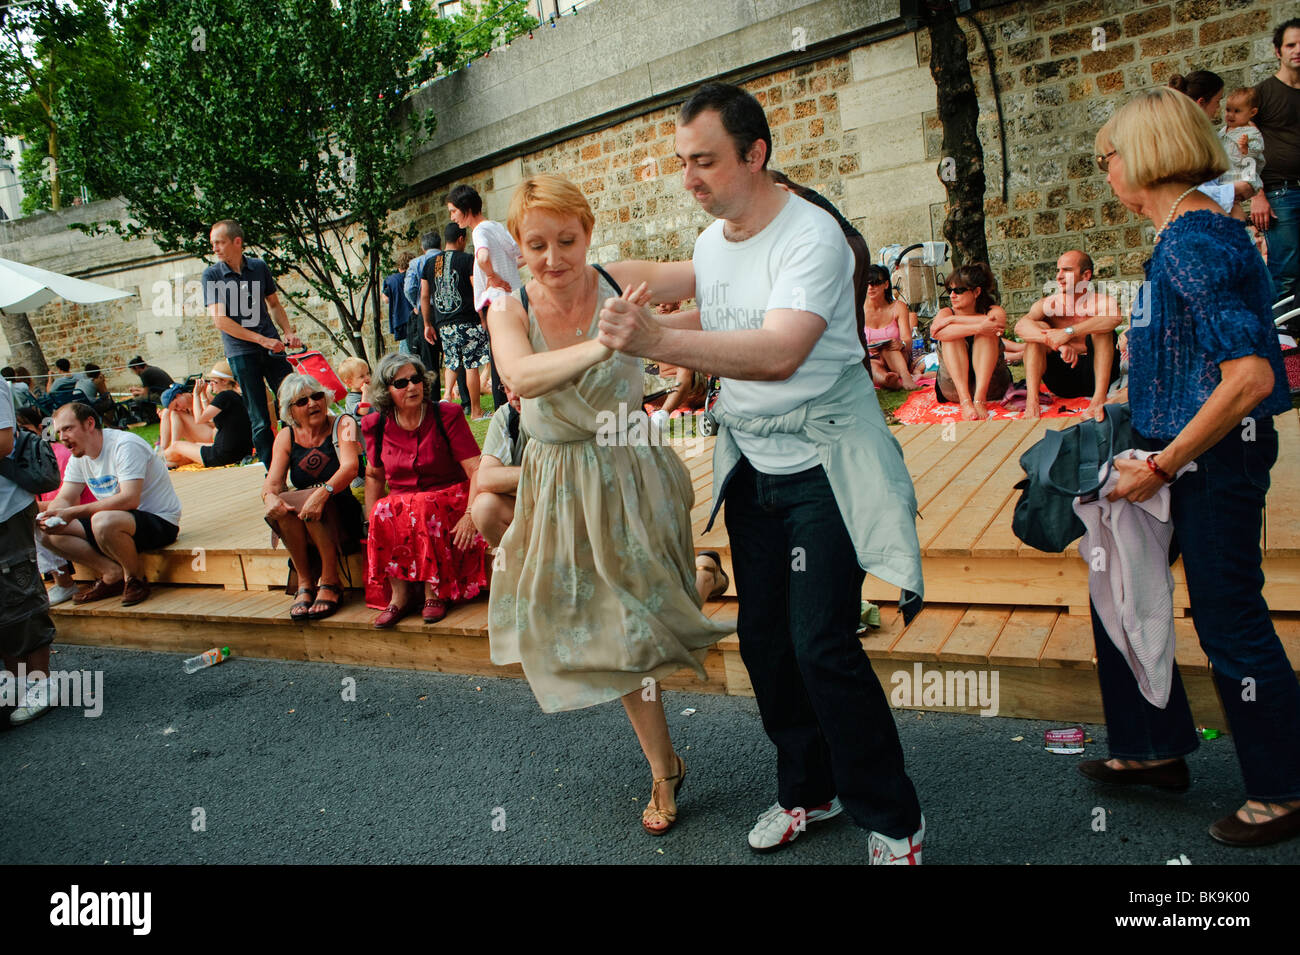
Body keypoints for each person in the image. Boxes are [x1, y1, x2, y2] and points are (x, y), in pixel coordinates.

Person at [596, 83, 926, 862]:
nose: (689, 179)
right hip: (753, 464)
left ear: (756, 154)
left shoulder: (813, 238)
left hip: (826, 466)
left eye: (704, 161)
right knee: (765, 642)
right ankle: (811, 791)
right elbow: (709, 300)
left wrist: (656, 340)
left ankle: (895, 819)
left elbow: (779, 351)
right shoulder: (715, 241)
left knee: (822, 644)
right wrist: (574, 272)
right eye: (682, 163)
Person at [1082, 87, 1300, 848]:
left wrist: (1165, 464)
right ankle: (1152, 747)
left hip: (1204, 462)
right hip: (1173, 451)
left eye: (1106, 155)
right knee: (1115, 585)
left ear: (1138, 157)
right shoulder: (1189, 230)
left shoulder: (1191, 239)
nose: (1103, 169)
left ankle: (1282, 787)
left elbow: (1251, 376)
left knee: (1229, 618)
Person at [485, 174, 732, 837]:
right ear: (517, 246)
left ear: (588, 233)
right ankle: (664, 765)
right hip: (562, 485)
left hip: (633, 471)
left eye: (567, 239)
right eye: (536, 244)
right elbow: (520, 375)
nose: (554, 257)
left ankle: (699, 580)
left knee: (641, 615)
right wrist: (606, 341)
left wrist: (769, 234)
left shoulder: (620, 279)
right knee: (621, 632)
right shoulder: (509, 308)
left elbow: (715, 269)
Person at [362, 353, 488, 628]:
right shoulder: (376, 424)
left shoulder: (447, 415)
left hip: (447, 496)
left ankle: (435, 591)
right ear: (386, 391)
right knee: (383, 510)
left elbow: (476, 469)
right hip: (402, 502)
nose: (412, 387)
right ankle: (400, 595)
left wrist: (470, 513)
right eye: (401, 383)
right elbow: (374, 475)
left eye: (416, 379)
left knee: (421, 505)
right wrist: (370, 519)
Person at [37, 402, 182, 608]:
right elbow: (66, 497)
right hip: (115, 524)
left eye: (68, 428)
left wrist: (72, 512)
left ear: (89, 424)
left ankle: (135, 579)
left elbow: (129, 499)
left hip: (158, 522)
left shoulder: (125, 445)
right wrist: (53, 514)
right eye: (58, 431)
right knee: (47, 531)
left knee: (102, 520)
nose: (62, 437)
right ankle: (111, 575)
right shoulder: (79, 456)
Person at [202, 219, 304, 468]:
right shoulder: (212, 275)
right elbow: (220, 321)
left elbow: (274, 304)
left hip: (272, 347)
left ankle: (304, 461)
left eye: (220, 242)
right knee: (259, 416)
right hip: (242, 353)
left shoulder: (259, 267)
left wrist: (288, 332)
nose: (215, 248)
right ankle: (274, 474)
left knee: (294, 403)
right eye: (213, 243)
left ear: (237, 242)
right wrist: (261, 340)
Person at [262, 374, 363, 622]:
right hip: (304, 513)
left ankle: (330, 581)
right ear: (290, 411)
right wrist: (269, 499)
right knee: (284, 508)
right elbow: (273, 482)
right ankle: (305, 582)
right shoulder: (286, 436)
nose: (312, 404)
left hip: (340, 504)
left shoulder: (343, 423)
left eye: (317, 396)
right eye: (302, 401)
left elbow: (350, 467)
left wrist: (323, 493)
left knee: (309, 503)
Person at [770, 170, 874, 368]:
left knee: (843, 321)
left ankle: (851, 373)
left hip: (844, 247)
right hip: (855, 245)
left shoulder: (789, 195)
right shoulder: (803, 196)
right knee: (854, 319)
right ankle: (861, 374)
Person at [0, 375, 59, 726]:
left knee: (18, 595)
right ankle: (17, 683)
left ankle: (42, 683)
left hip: (5, 511)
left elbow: (3, 441)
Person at [1013, 251, 1121, 420]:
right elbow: (1020, 326)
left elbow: (1114, 318)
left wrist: (1068, 333)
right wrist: (1056, 342)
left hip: (1097, 377)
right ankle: (1032, 401)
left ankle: (1098, 399)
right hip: (1062, 379)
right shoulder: (1049, 304)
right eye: (1058, 270)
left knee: (1101, 329)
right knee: (1037, 330)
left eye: (1067, 270)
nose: (1059, 276)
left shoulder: (1101, 301)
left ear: (1085, 275)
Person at [447, 183, 523, 408]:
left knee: (498, 357)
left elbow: (482, 257)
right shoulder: (496, 227)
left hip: (496, 302)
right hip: (512, 299)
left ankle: (505, 407)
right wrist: (500, 275)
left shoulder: (480, 230)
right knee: (510, 352)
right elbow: (519, 256)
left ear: (465, 208)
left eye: (453, 211)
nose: (452, 217)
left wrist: (492, 276)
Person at [16, 405, 93, 607]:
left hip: (83, 514)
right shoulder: (26, 458)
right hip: (62, 514)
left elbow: (69, 502)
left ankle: (64, 581)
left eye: (24, 428)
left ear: (40, 428)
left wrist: (29, 507)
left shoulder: (59, 454)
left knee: (30, 520)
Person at [1250, 18, 1300, 302]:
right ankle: (1280, 344)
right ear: (1278, 51)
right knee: (1287, 273)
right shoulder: (1262, 95)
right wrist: (1258, 195)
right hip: (1281, 193)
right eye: (1290, 44)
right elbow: (1242, 148)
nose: (1297, 50)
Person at [423, 222, 490, 419]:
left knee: (452, 362)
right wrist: (483, 317)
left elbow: (425, 296)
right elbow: (477, 289)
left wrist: (428, 323)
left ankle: (446, 397)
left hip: (444, 321)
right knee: (471, 365)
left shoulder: (430, 263)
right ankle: (476, 411)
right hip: (468, 319)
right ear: (461, 239)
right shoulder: (466, 259)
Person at [931, 262, 1012, 420]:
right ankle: (966, 401)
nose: (952, 295)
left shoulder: (993, 310)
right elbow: (937, 332)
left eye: (959, 290)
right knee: (951, 338)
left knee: (986, 335)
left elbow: (996, 324)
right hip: (953, 388)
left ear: (976, 292)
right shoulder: (945, 313)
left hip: (992, 387)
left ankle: (979, 399)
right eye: (950, 290)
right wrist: (979, 326)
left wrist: (954, 320)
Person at [161, 361, 252, 468]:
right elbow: (211, 419)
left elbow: (199, 419)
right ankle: (168, 463)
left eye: (214, 381)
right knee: (190, 450)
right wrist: (202, 396)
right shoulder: (237, 396)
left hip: (224, 454)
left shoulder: (223, 397)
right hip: (241, 451)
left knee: (176, 446)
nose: (211, 384)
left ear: (224, 381)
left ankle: (156, 461)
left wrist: (196, 395)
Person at [468, 382, 526, 548]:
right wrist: (541, 472)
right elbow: (485, 478)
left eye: (521, 384)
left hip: (575, 506)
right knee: (484, 508)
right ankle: (519, 569)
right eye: (506, 387)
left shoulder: (565, 411)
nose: (513, 395)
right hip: (532, 504)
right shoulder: (507, 414)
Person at [861, 264, 919, 390]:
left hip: (898, 356)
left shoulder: (898, 307)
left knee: (887, 346)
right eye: (867, 283)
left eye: (876, 283)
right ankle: (888, 380)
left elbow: (908, 340)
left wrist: (901, 344)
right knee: (871, 366)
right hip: (873, 358)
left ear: (886, 285)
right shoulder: (859, 309)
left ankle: (905, 377)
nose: (871, 287)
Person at [1217, 87, 1265, 222]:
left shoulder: (1251, 132)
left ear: (1252, 112)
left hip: (1243, 175)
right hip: (1226, 176)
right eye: (1228, 110)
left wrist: (1246, 148)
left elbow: (1258, 150)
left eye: (1237, 111)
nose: (1230, 115)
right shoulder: (1222, 131)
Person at [381, 252, 417, 355]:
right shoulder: (416, 276)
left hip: (402, 321)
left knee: (406, 357)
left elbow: (386, 299)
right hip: (418, 318)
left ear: (399, 266)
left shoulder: (392, 280)